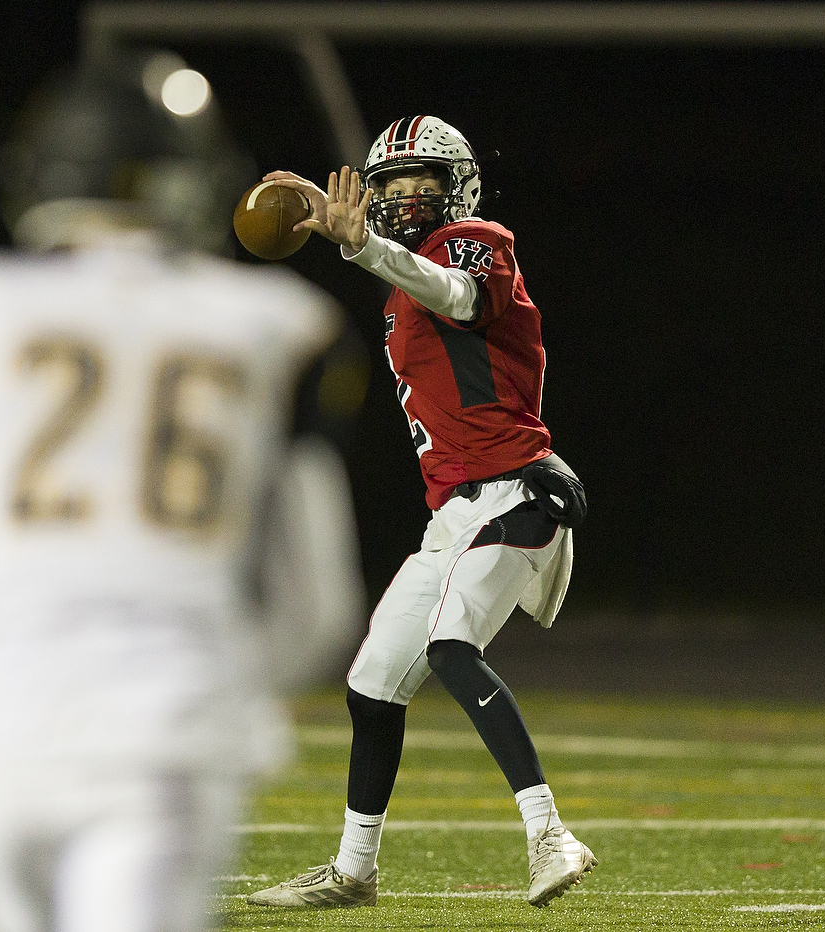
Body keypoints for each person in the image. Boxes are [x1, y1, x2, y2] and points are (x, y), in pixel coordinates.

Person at [0, 52, 365, 932]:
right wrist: (222, 689)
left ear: (36, 175)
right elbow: (319, 607)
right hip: (162, 726)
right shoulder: (281, 326)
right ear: (198, 182)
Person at [248, 115, 594, 910]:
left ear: (458, 188)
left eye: (422, 184)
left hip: (513, 491)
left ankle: (550, 833)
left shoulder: (476, 239)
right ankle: (353, 871)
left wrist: (363, 247)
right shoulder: (403, 282)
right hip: (455, 514)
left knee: (448, 645)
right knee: (372, 686)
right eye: (390, 187)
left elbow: (463, 297)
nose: (405, 199)